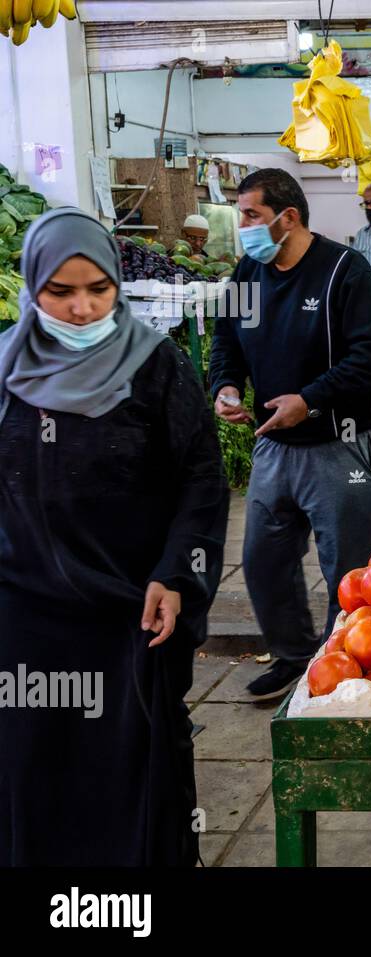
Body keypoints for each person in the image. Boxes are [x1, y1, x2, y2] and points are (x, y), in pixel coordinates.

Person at [0, 208, 228, 865]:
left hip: (131, 611)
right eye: (61, 291)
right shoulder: (7, 370)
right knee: (33, 771)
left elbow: (200, 481)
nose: (81, 308)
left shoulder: (156, 367)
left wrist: (178, 575)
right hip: (26, 618)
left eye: (98, 289)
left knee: (133, 776)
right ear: (32, 286)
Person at [210, 168, 371, 698]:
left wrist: (310, 399)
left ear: (288, 218)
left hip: (339, 446)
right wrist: (225, 386)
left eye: (251, 215)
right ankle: (294, 658)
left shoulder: (344, 272)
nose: (242, 225)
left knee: (349, 571)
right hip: (273, 444)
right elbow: (227, 339)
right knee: (263, 563)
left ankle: (345, 667)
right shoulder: (247, 273)